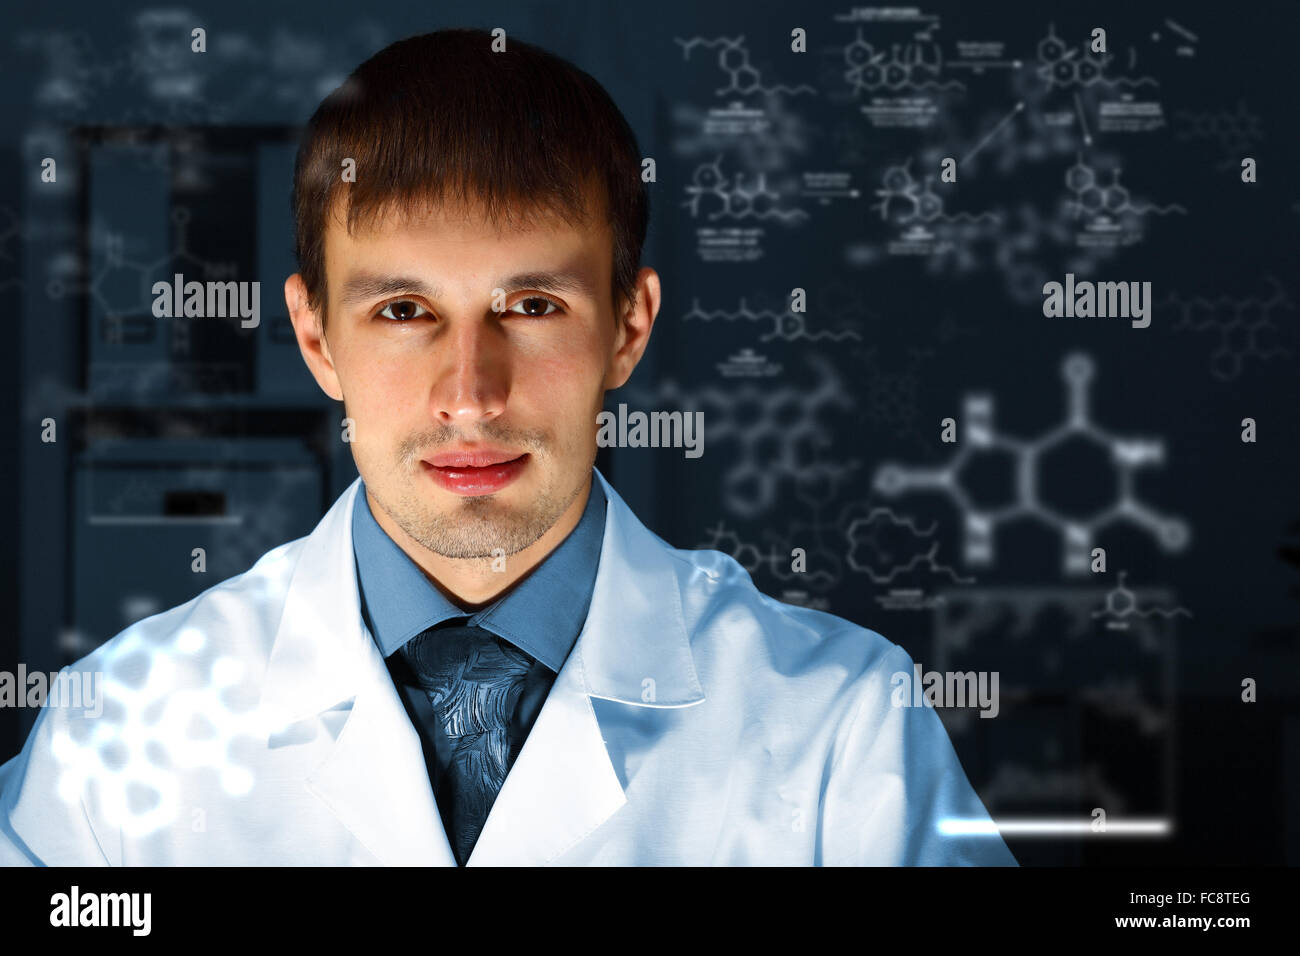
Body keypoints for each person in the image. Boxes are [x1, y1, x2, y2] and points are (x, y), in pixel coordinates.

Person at [0, 28, 1015, 866]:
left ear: (626, 326)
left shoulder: (842, 729)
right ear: (316, 339)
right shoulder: (116, 736)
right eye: (403, 310)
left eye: (531, 304)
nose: (470, 395)